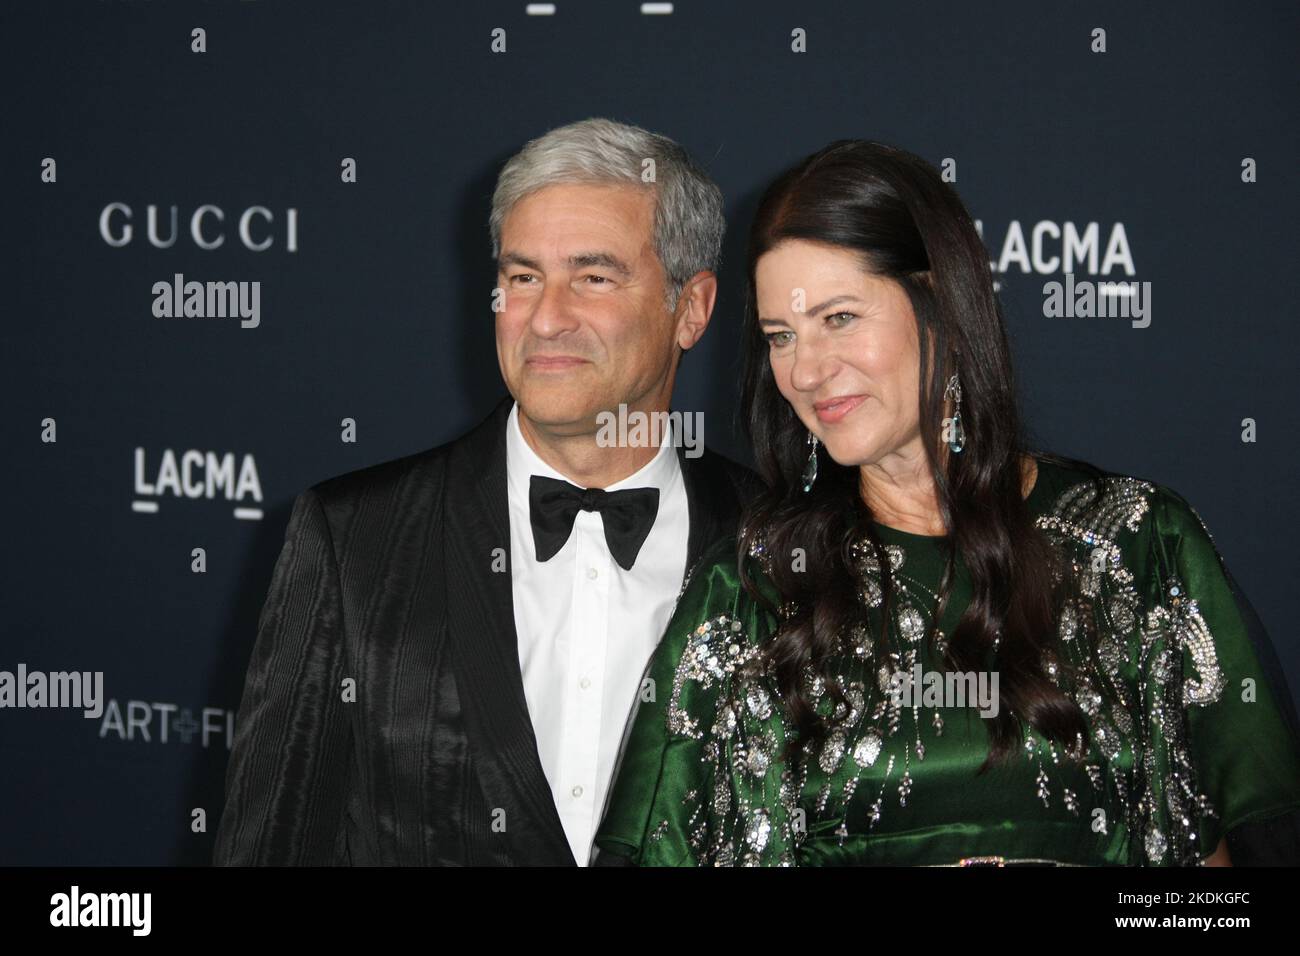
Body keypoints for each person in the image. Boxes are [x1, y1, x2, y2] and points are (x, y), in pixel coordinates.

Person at [592, 140, 1300, 866]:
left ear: (941, 304)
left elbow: (1233, 847)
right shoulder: (752, 590)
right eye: (781, 335)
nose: (805, 369)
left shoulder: (1136, 543)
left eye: (839, 318)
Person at [212, 118, 759, 866]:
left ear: (691, 308)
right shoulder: (353, 540)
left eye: (594, 277)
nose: (546, 318)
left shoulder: (780, 543)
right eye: (523, 276)